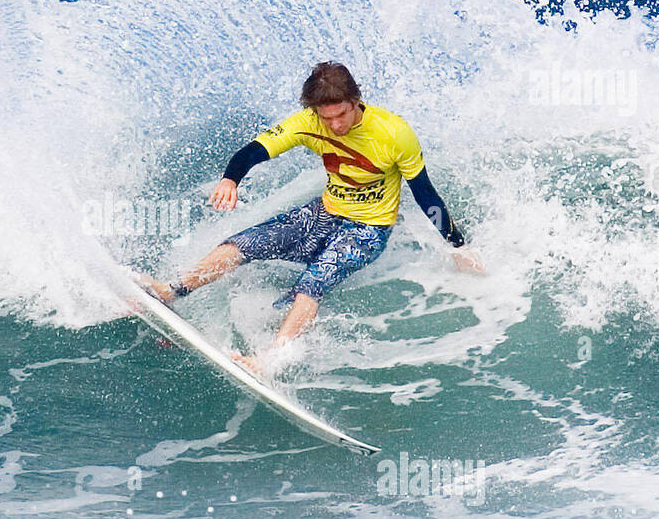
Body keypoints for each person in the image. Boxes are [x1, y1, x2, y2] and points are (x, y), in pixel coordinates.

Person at [142, 61, 483, 374]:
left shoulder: (394, 133)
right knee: (243, 244)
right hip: (324, 213)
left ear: (356, 101)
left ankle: (271, 358)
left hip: (369, 229)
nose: (335, 125)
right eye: (326, 117)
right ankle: (172, 291)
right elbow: (255, 151)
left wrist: (458, 246)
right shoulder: (308, 123)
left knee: (314, 281)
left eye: (342, 115)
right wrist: (231, 178)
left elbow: (425, 194)